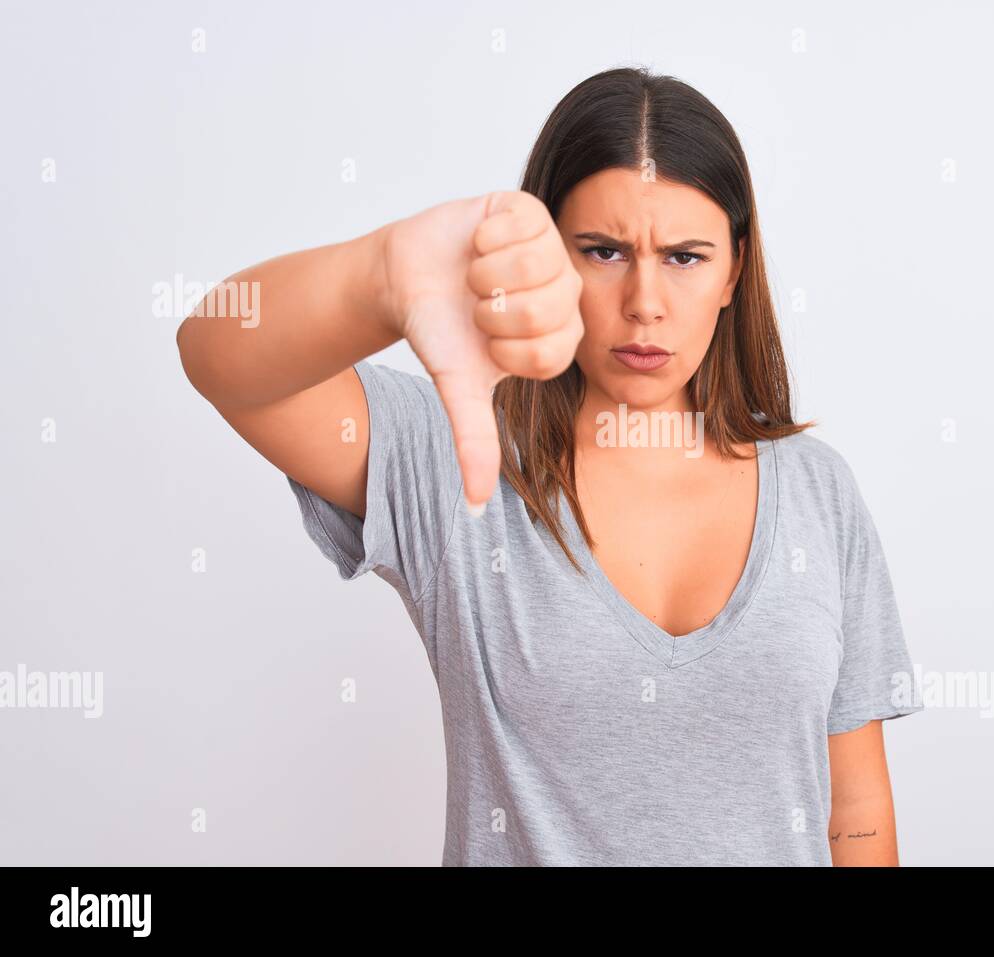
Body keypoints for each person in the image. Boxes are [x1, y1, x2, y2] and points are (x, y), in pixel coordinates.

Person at [176, 65, 924, 866]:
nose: (644, 300)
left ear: (735, 271)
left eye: (684, 257)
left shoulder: (819, 491)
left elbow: (855, 807)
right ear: (547, 258)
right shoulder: (458, 454)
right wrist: (383, 276)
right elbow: (219, 350)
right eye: (602, 251)